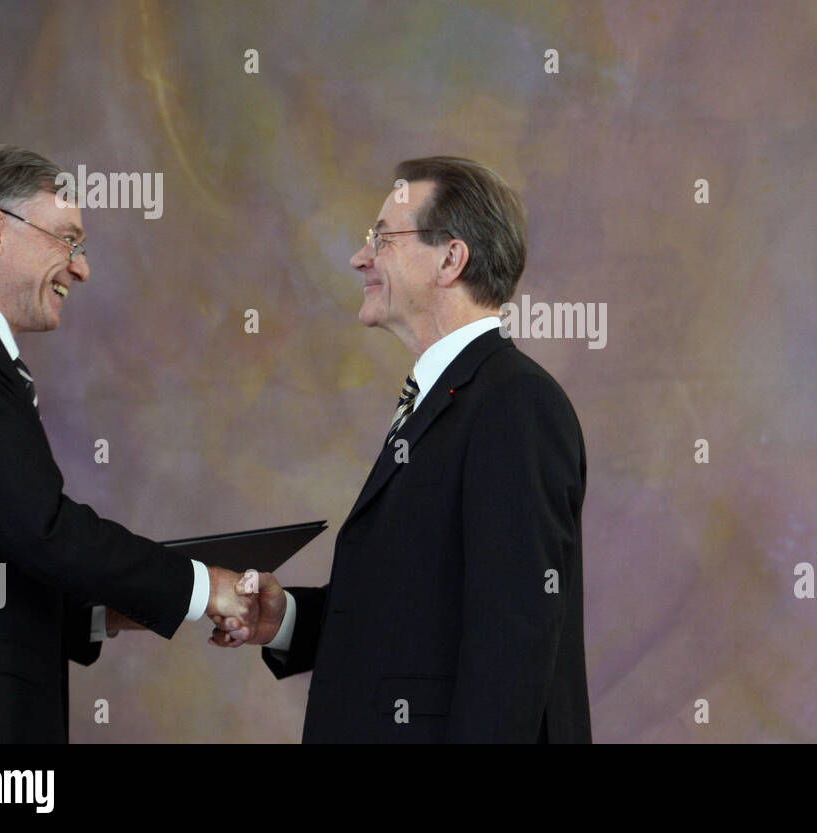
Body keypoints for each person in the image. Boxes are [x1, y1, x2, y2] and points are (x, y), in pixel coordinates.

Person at [212, 157, 591, 742]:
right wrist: (285, 619)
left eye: (382, 239)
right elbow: (410, 608)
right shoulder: (447, 397)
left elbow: (513, 642)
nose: (360, 258)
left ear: (450, 259)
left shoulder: (517, 406)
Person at [0, 145, 256, 743]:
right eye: (68, 240)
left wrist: (102, 608)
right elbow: (36, 527)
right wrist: (202, 585)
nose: (81, 268)